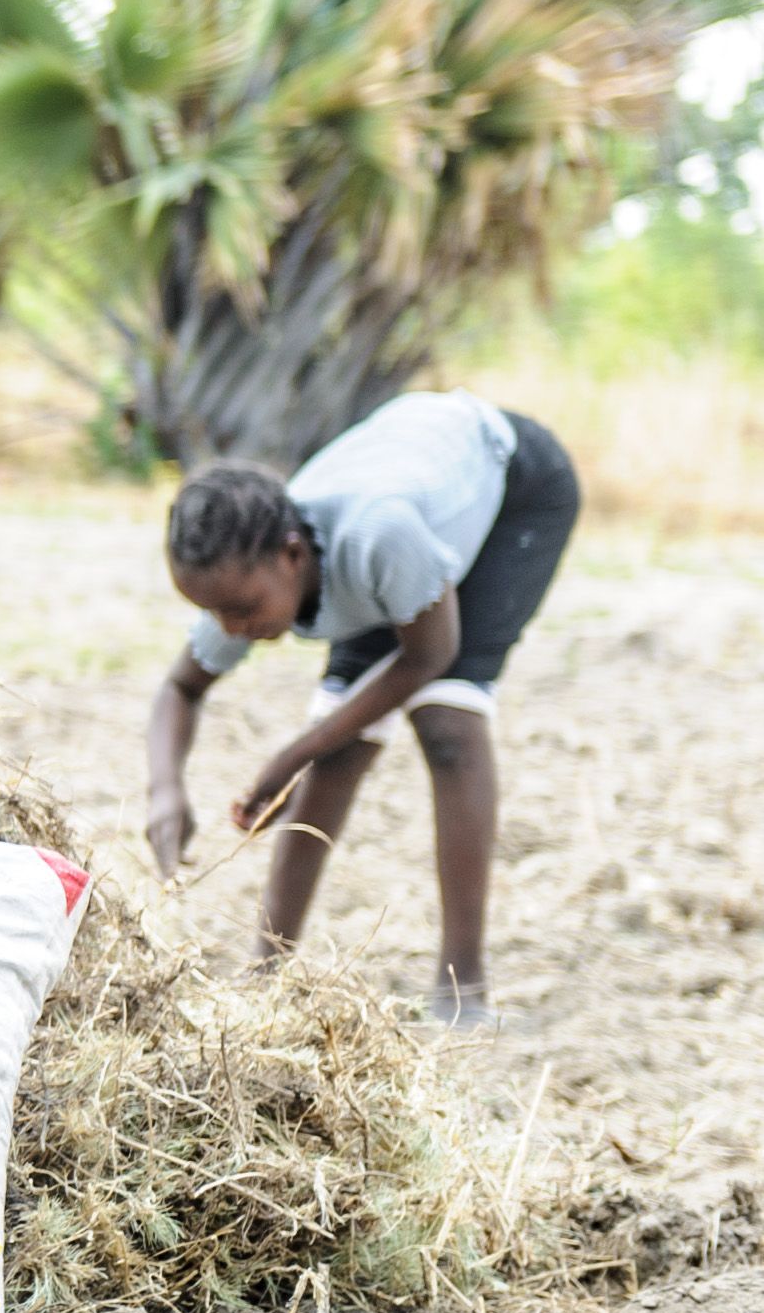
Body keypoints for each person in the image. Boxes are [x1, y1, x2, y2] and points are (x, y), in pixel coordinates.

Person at [145, 390, 579, 1026]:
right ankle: (266, 978)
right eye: (215, 614)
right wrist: (164, 790)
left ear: (292, 556)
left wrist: (291, 754)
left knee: (447, 724)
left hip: (515, 490)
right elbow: (178, 689)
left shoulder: (379, 535)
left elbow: (430, 655)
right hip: (396, 527)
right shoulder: (244, 572)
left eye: (242, 611)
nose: (231, 629)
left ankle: (463, 990)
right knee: (339, 746)